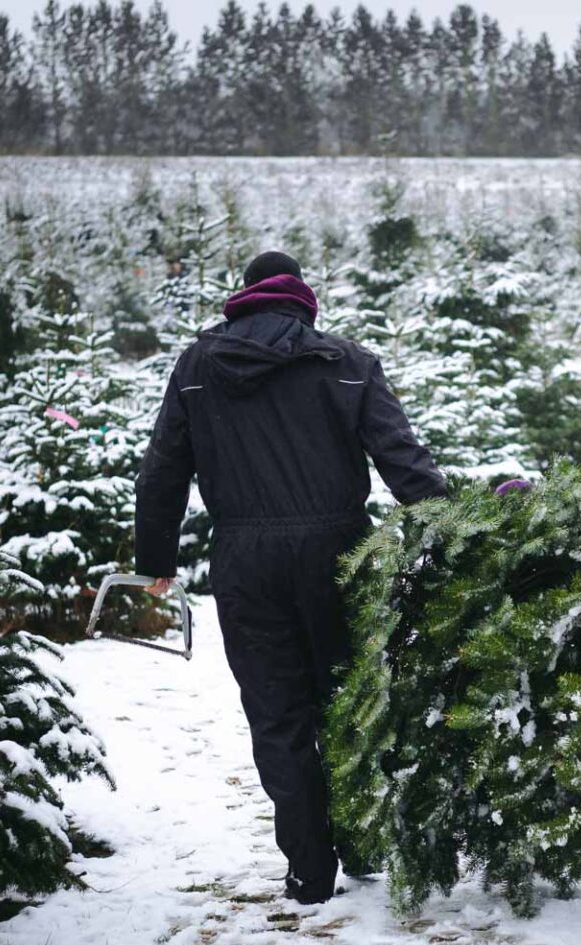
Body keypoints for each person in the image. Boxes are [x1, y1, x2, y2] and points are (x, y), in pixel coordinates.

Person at [133, 250, 446, 904]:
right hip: (340, 555)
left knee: (276, 713)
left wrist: (156, 563)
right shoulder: (347, 364)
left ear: (243, 296)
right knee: (349, 699)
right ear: (303, 298)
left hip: (245, 560)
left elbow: (164, 468)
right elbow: (403, 460)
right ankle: (360, 839)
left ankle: (308, 869)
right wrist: (454, 532)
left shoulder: (199, 366)